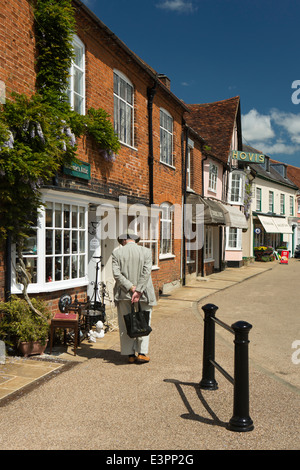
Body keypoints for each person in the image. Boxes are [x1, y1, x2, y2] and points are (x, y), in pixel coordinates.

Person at [112, 229, 156, 363]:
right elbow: (146, 272)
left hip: (125, 294)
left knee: (126, 323)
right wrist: (139, 290)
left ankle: (130, 354)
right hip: (144, 294)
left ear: (124, 240)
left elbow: (116, 274)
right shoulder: (146, 252)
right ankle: (142, 353)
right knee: (144, 322)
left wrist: (131, 287)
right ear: (135, 240)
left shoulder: (117, 253)